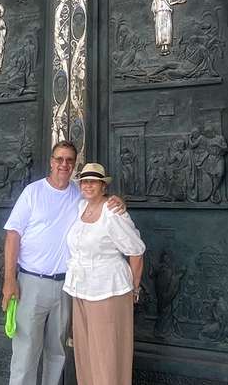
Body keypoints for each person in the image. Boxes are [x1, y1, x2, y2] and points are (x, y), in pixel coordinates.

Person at [2, 141, 124, 385]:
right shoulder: (33, 192)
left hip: (65, 286)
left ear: (74, 164)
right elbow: (13, 235)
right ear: (51, 161)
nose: (64, 164)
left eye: (69, 160)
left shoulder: (79, 194)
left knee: (57, 351)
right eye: (59, 159)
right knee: (25, 351)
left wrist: (118, 201)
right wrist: (9, 279)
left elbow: (99, 201)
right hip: (31, 283)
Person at [64, 163, 145, 385]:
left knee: (107, 355)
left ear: (103, 186)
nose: (88, 185)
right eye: (84, 181)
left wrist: (134, 290)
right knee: (85, 352)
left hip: (107, 291)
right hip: (80, 289)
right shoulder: (80, 207)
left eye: (93, 181)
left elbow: (136, 251)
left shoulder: (113, 213)